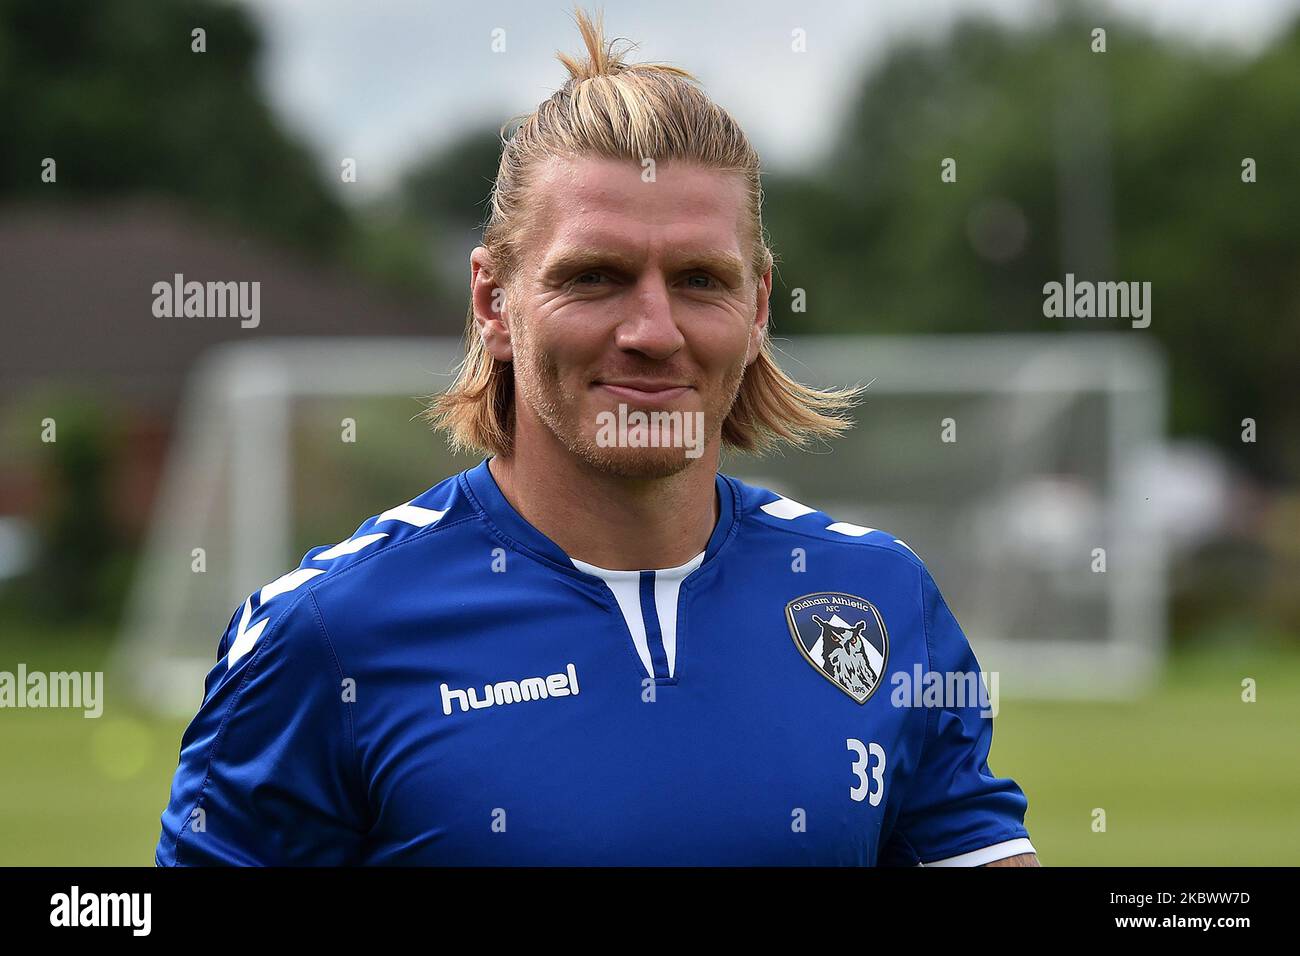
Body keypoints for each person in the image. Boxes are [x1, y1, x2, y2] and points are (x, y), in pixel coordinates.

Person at [156, 7, 1036, 867]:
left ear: (760, 307)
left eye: (699, 279)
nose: (654, 330)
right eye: (596, 276)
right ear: (494, 302)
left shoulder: (880, 597)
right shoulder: (327, 634)